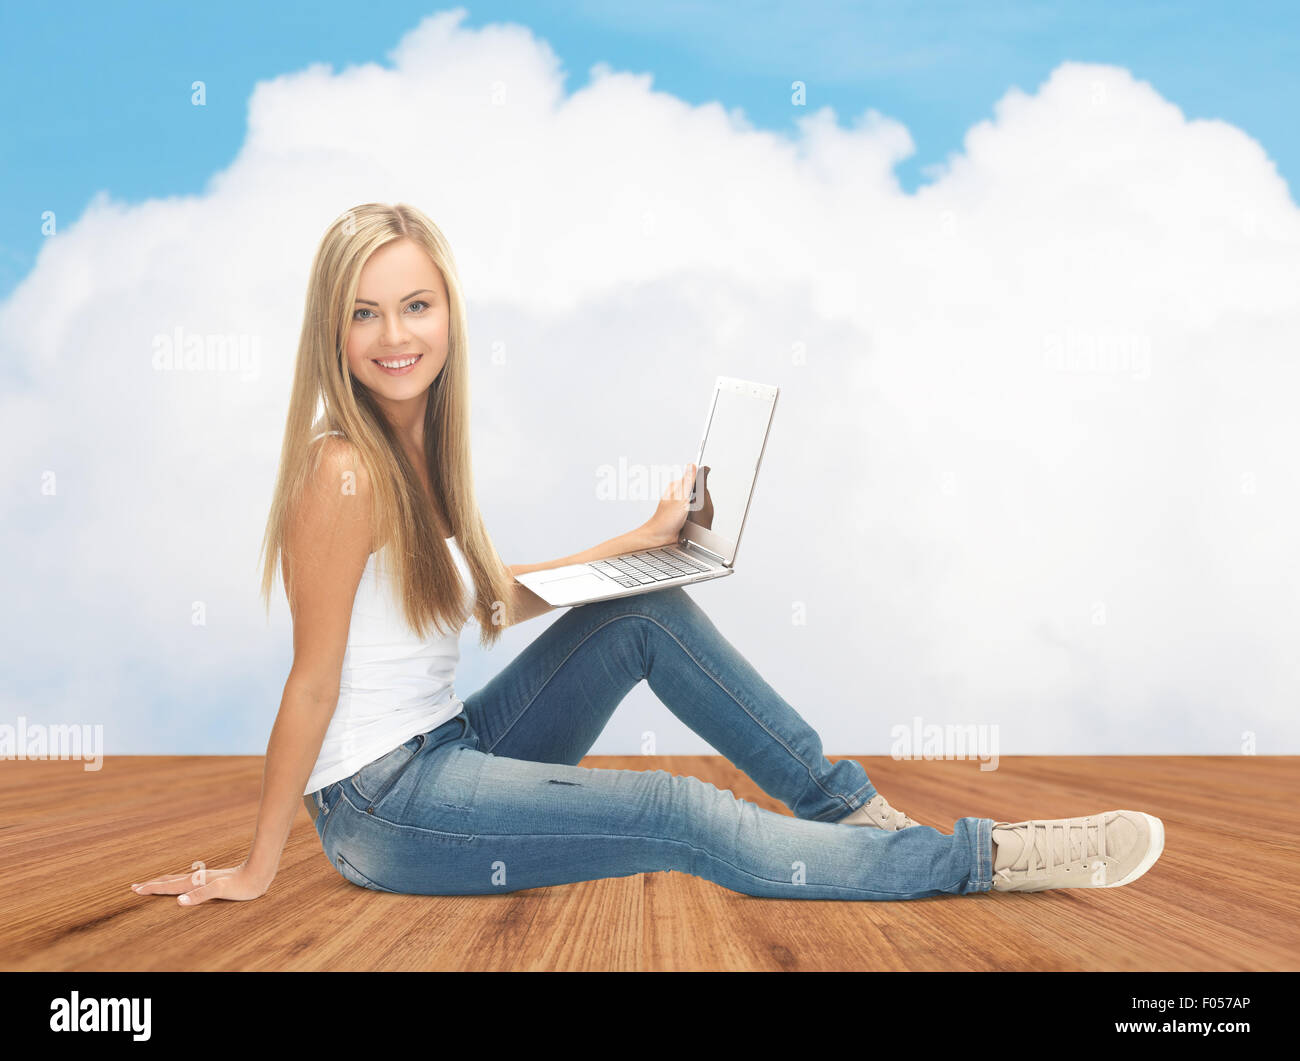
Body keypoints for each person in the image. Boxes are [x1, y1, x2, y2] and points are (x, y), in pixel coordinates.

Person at [130, 202, 1164, 906]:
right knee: (673, 809)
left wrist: (639, 542)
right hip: (384, 807)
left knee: (642, 611)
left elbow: (478, 602)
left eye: (414, 304)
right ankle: (979, 858)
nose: (394, 334)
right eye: (364, 313)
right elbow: (310, 684)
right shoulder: (343, 470)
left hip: (451, 743)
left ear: (447, 312)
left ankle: (850, 813)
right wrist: (260, 865)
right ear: (332, 329)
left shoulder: (418, 445)